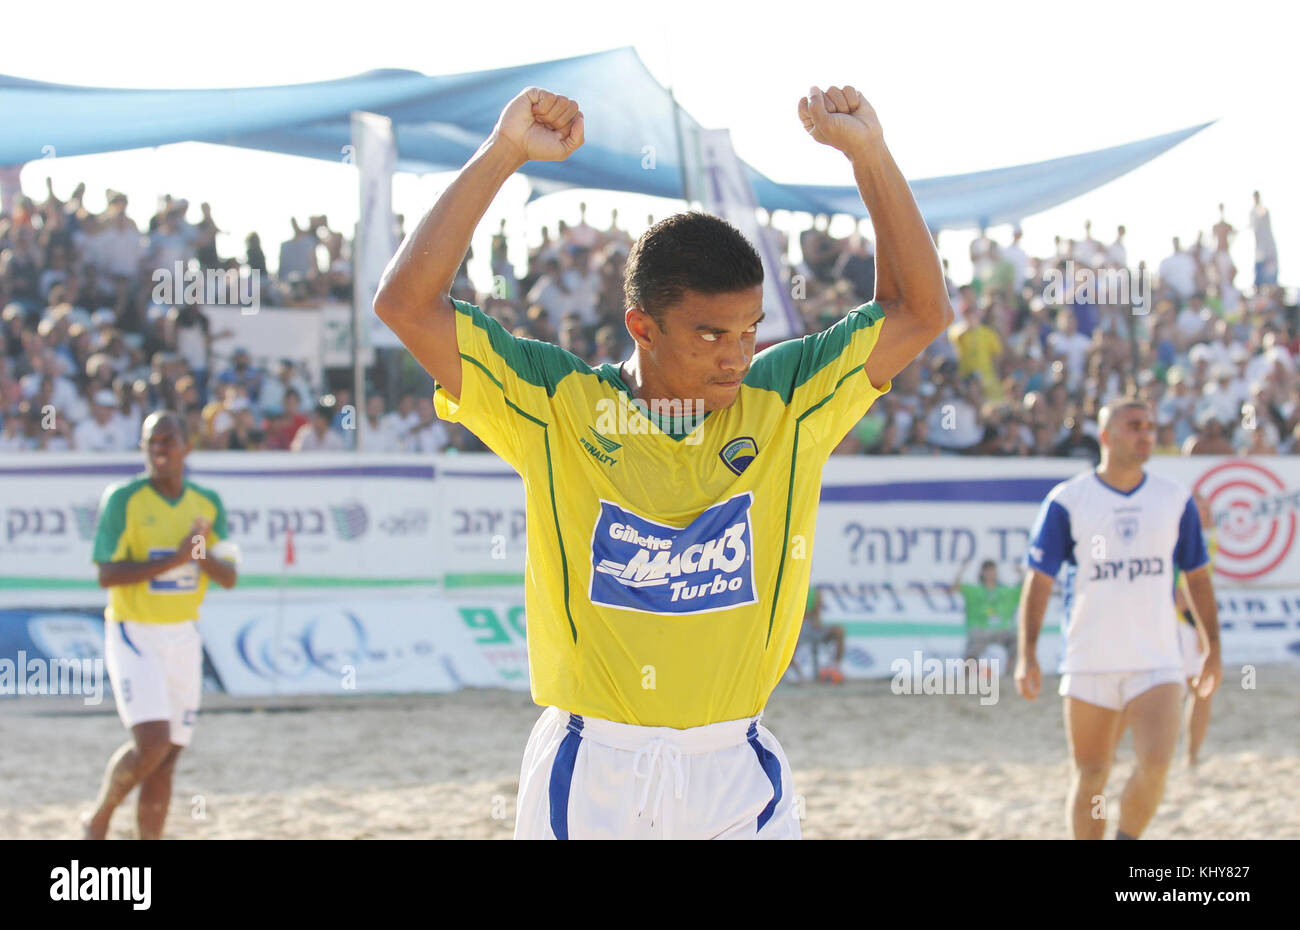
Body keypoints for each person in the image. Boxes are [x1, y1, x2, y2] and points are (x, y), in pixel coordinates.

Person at [374, 85, 951, 840]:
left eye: (750, 329)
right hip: (597, 770)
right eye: (712, 335)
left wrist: (869, 156)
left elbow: (920, 311)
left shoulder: (787, 400)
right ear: (640, 326)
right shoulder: (560, 402)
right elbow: (407, 306)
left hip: (739, 764)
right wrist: (504, 151)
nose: (739, 355)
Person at [1015, 399, 1221, 840]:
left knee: (1156, 765)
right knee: (1091, 776)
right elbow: (1039, 582)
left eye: (1150, 425)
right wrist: (1027, 653)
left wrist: (1213, 649)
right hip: (1089, 659)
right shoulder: (1068, 501)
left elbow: (1198, 579)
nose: (1146, 433)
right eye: (1134, 426)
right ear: (1106, 437)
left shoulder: (1174, 498)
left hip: (1157, 661)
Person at [84, 411, 238, 839]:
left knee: (167, 757)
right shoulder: (123, 499)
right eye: (150, 441)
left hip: (183, 636)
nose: (159, 448)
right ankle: (99, 818)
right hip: (135, 632)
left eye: (168, 439)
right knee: (151, 744)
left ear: (187, 446)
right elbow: (107, 575)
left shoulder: (207, 504)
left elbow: (229, 576)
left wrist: (200, 554)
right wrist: (178, 557)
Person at [1172, 492, 1217, 768]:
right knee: (1195, 688)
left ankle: (1192, 755)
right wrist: (1200, 629)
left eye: (1209, 507)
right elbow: (1177, 592)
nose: (1209, 512)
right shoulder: (1178, 543)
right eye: (1202, 508)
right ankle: (1190, 756)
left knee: (1200, 689)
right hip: (1180, 623)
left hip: (1189, 622)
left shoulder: (1210, 541)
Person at [947, 556, 1019, 666]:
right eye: (987, 571)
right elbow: (954, 587)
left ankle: (1011, 676)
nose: (990, 574)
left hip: (1003, 629)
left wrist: (1020, 573)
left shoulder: (1005, 591)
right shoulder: (975, 590)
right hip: (981, 629)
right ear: (982, 573)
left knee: (1018, 642)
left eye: (992, 571)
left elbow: (1025, 589)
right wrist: (963, 568)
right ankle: (967, 677)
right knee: (974, 644)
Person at [789, 587, 846, 683]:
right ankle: (797, 674)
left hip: (812, 627)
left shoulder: (814, 592)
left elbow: (816, 618)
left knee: (839, 631)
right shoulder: (792, 589)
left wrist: (815, 616)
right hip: (797, 628)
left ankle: (835, 667)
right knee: (789, 645)